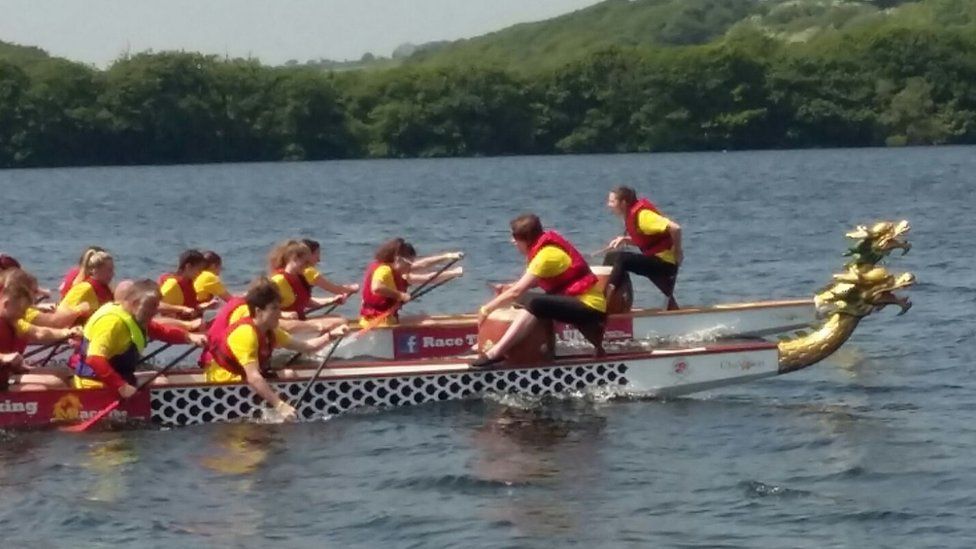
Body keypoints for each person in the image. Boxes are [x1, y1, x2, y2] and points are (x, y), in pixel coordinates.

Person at [473, 214, 606, 368]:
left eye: (515, 239)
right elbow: (522, 287)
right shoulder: (543, 251)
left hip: (590, 307)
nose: (513, 242)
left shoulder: (545, 256)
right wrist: (505, 290)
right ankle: (493, 342)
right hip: (575, 301)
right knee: (524, 299)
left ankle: (496, 352)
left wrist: (486, 308)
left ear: (526, 239)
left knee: (535, 303)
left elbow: (517, 291)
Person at [205, 277, 349, 421]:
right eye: (274, 308)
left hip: (245, 376)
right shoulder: (246, 333)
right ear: (258, 311)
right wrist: (280, 406)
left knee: (289, 374)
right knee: (287, 376)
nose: (280, 314)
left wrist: (331, 335)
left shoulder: (271, 331)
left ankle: (293, 411)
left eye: (279, 308)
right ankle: (290, 411)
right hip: (225, 382)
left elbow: (307, 347)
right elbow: (253, 377)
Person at [70, 279, 207, 394]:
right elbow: (94, 359)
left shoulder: (132, 316)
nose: (155, 312)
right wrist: (122, 387)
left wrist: (189, 337)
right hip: (95, 387)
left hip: (116, 379)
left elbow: (161, 331)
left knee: (159, 379)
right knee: (160, 383)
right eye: (151, 306)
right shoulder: (111, 323)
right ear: (135, 303)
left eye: (156, 306)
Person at [603, 186, 683, 310]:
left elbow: (675, 228)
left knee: (622, 259)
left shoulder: (643, 216)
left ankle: (606, 300)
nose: (609, 205)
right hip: (654, 259)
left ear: (623, 203)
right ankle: (616, 301)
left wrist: (678, 252)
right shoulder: (631, 215)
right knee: (611, 257)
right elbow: (650, 241)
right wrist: (625, 240)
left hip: (665, 263)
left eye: (612, 202)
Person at [359, 238, 462, 328]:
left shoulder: (392, 269)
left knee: (424, 318)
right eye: (409, 263)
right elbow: (376, 287)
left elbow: (423, 266)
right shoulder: (384, 270)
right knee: (428, 322)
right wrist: (401, 295)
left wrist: (448, 257)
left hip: (375, 320)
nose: (410, 267)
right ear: (398, 259)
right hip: (380, 323)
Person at [267, 240, 346, 334]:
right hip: (283, 324)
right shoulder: (277, 281)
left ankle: (320, 343)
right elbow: (263, 309)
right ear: (294, 259)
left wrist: (332, 300)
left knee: (339, 319)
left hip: (299, 321)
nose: (309, 266)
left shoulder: (300, 278)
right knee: (339, 322)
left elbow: (306, 301)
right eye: (306, 262)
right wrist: (284, 314)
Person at [58, 248, 116, 319]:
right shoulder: (85, 287)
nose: (113, 274)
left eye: (112, 270)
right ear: (95, 270)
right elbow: (61, 311)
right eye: (109, 270)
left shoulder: (105, 288)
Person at [158, 249, 207, 318]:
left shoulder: (190, 282)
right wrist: (182, 309)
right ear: (188, 266)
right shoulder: (172, 284)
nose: (200, 273)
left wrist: (206, 306)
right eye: (199, 269)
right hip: (172, 325)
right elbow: (157, 306)